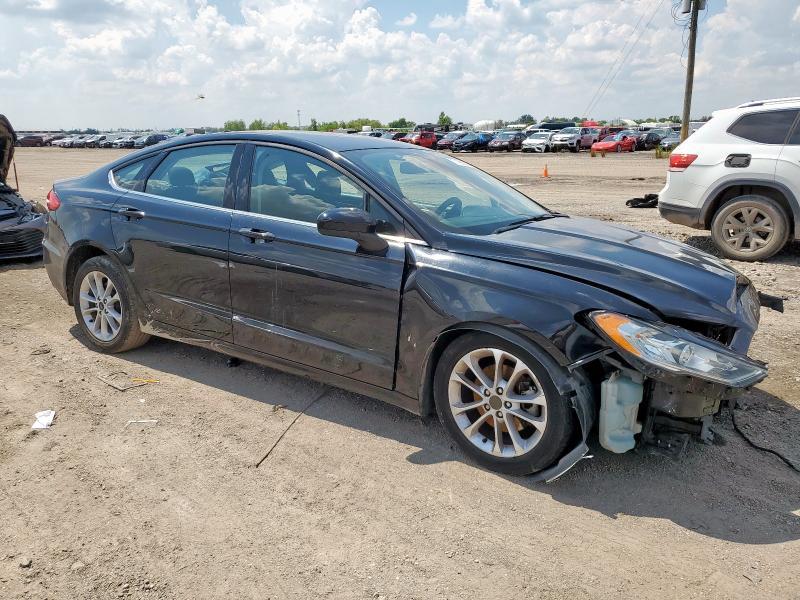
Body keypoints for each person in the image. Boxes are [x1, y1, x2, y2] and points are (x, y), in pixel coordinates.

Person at [0, 114, 16, 185]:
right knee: (4, 163)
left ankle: (2, 181)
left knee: (3, 163)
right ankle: (2, 181)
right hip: (7, 141)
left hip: (6, 141)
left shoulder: (1, 117)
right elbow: (12, 130)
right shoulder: (2, 117)